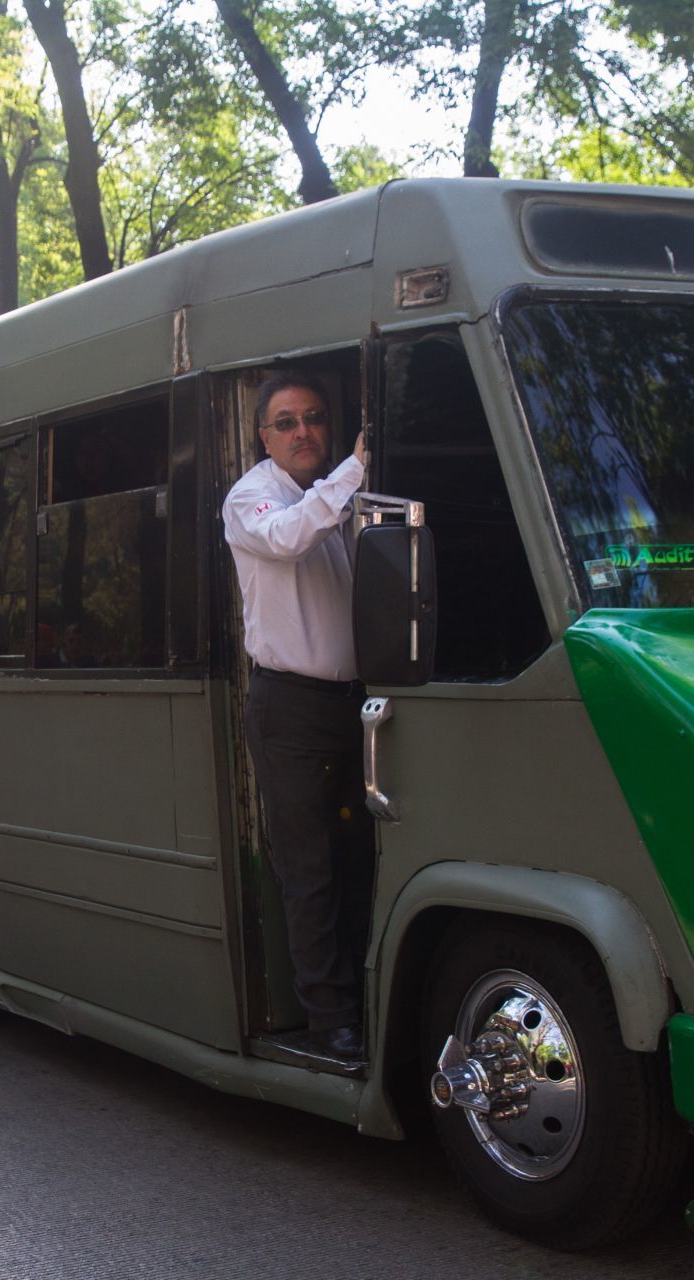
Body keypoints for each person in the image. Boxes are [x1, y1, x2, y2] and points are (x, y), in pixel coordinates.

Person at [222, 372, 374, 1062]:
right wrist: (355, 470)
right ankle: (330, 1021)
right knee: (310, 873)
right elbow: (287, 538)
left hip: (354, 707)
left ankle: (366, 1005)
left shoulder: (336, 499)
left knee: (358, 863)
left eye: (314, 417)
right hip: (290, 708)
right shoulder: (252, 496)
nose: (303, 431)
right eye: (286, 422)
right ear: (264, 436)